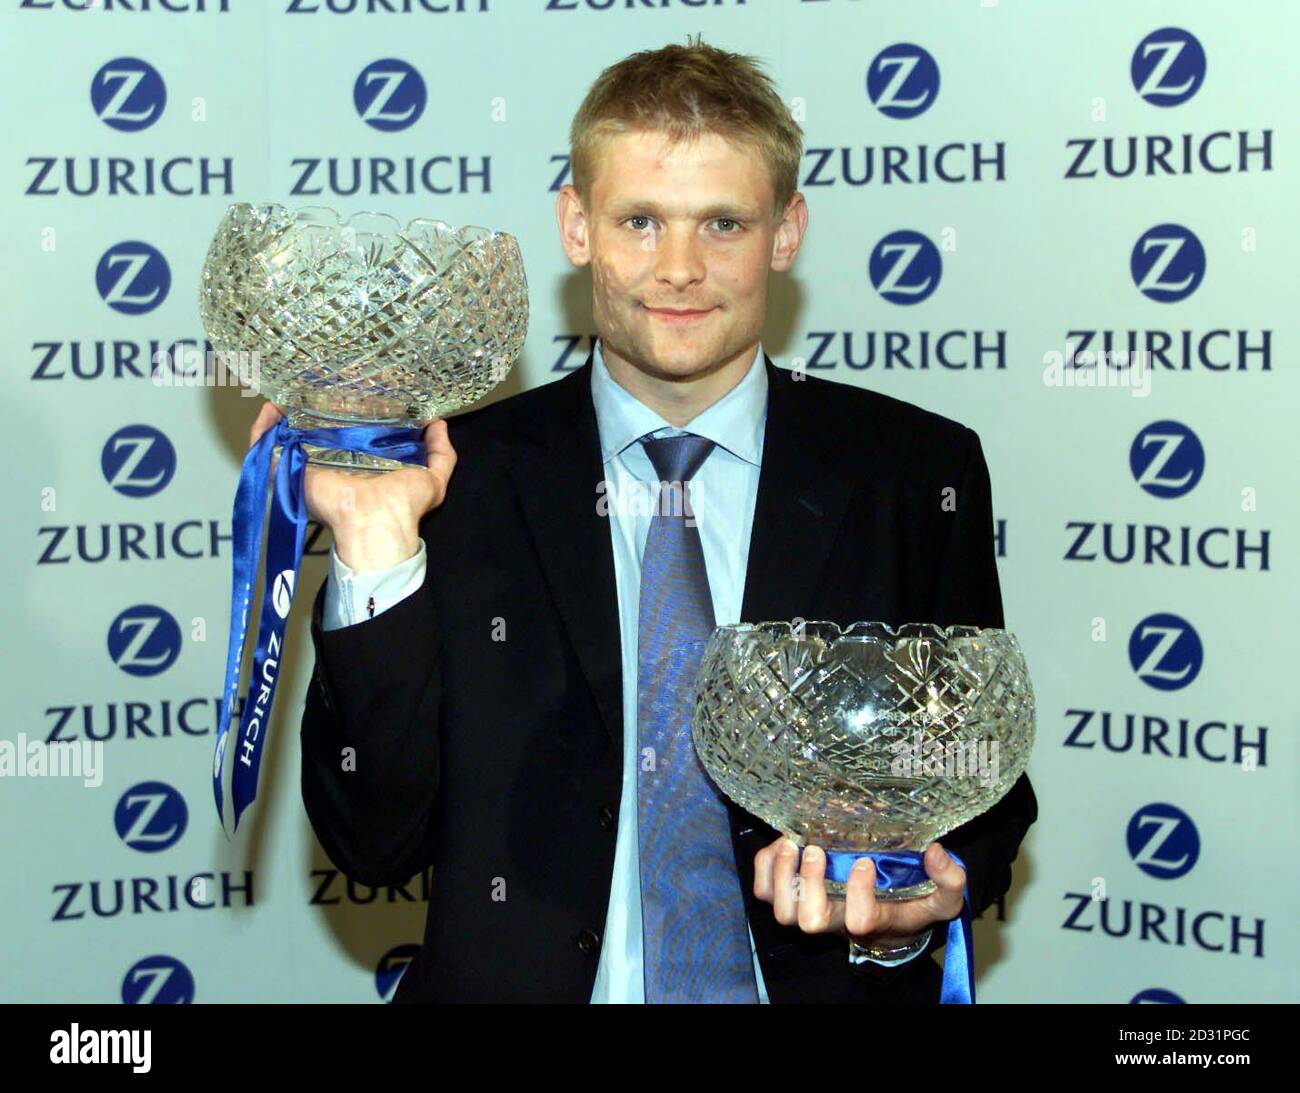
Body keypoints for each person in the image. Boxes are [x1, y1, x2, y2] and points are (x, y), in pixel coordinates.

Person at [253, 38, 1037, 1003]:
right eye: (639, 220)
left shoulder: (915, 473)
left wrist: (915, 903)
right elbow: (374, 844)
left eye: (722, 223)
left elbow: (977, 779)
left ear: (786, 234)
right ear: (575, 225)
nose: (678, 269)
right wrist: (374, 552)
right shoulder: (454, 478)